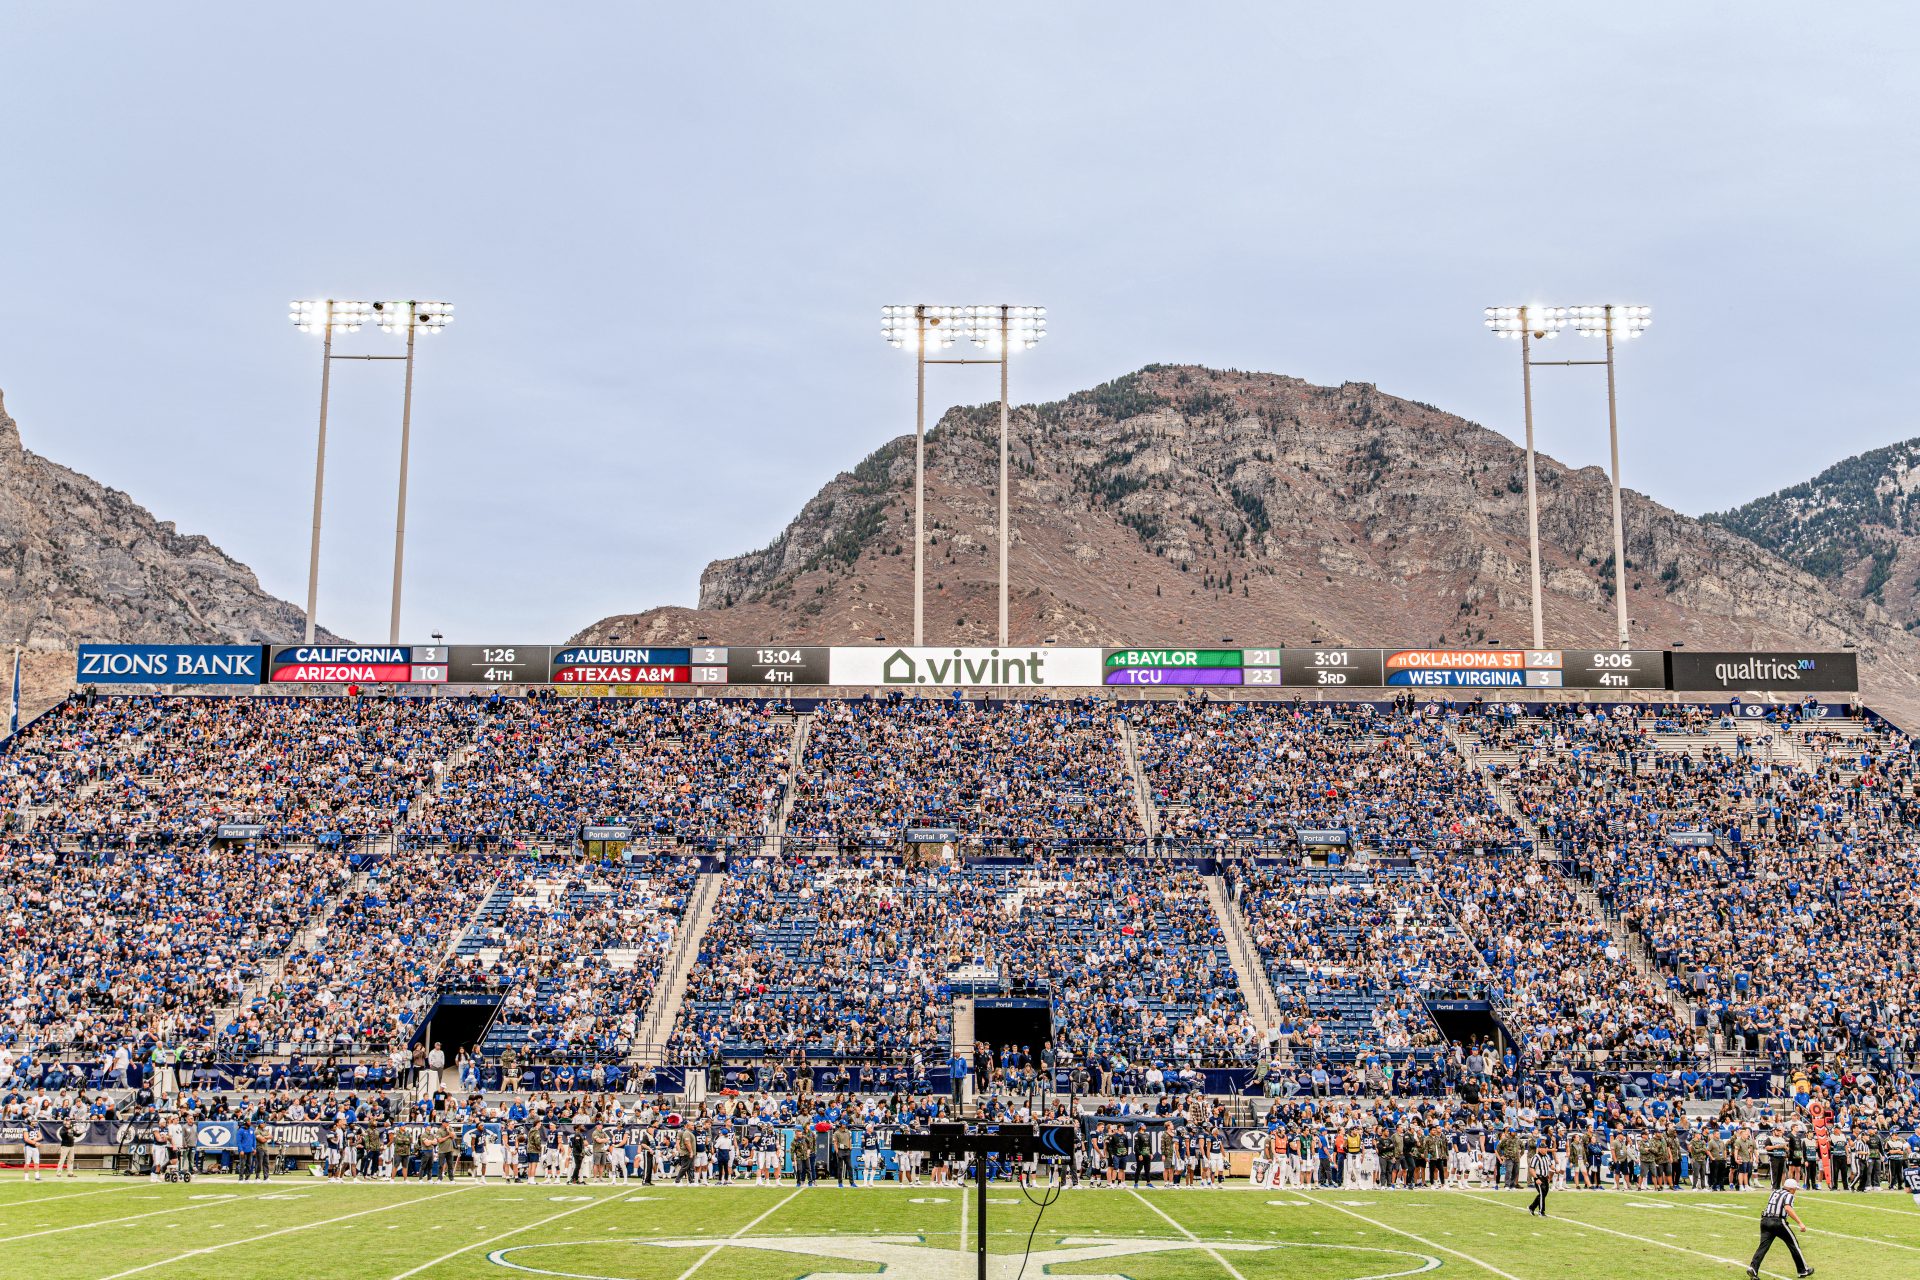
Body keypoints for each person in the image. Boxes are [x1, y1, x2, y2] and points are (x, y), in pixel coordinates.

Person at [1747, 1178, 1813, 1279]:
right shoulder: (1789, 1195)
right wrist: (1800, 1223)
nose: (1795, 1191)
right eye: (1795, 1189)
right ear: (1791, 1189)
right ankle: (1803, 1270)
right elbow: (1787, 1208)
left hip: (1765, 1220)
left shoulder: (1775, 1192)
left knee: (1763, 1246)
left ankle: (1753, 1268)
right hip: (1778, 1222)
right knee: (1793, 1245)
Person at [1528, 1137, 1553, 1217]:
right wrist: (1536, 1178)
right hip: (1539, 1177)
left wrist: (1554, 1169)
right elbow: (1531, 1169)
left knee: (1544, 1194)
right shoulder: (1536, 1157)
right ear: (1539, 1149)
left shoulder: (1547, 1156)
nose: (1546, 1150)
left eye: (1546, 1148)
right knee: (1542, 1193)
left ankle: (1531, 1207)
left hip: (1545, 1177)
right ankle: (1541, 1212)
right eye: (1544, 1148)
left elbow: (1550, 1165)